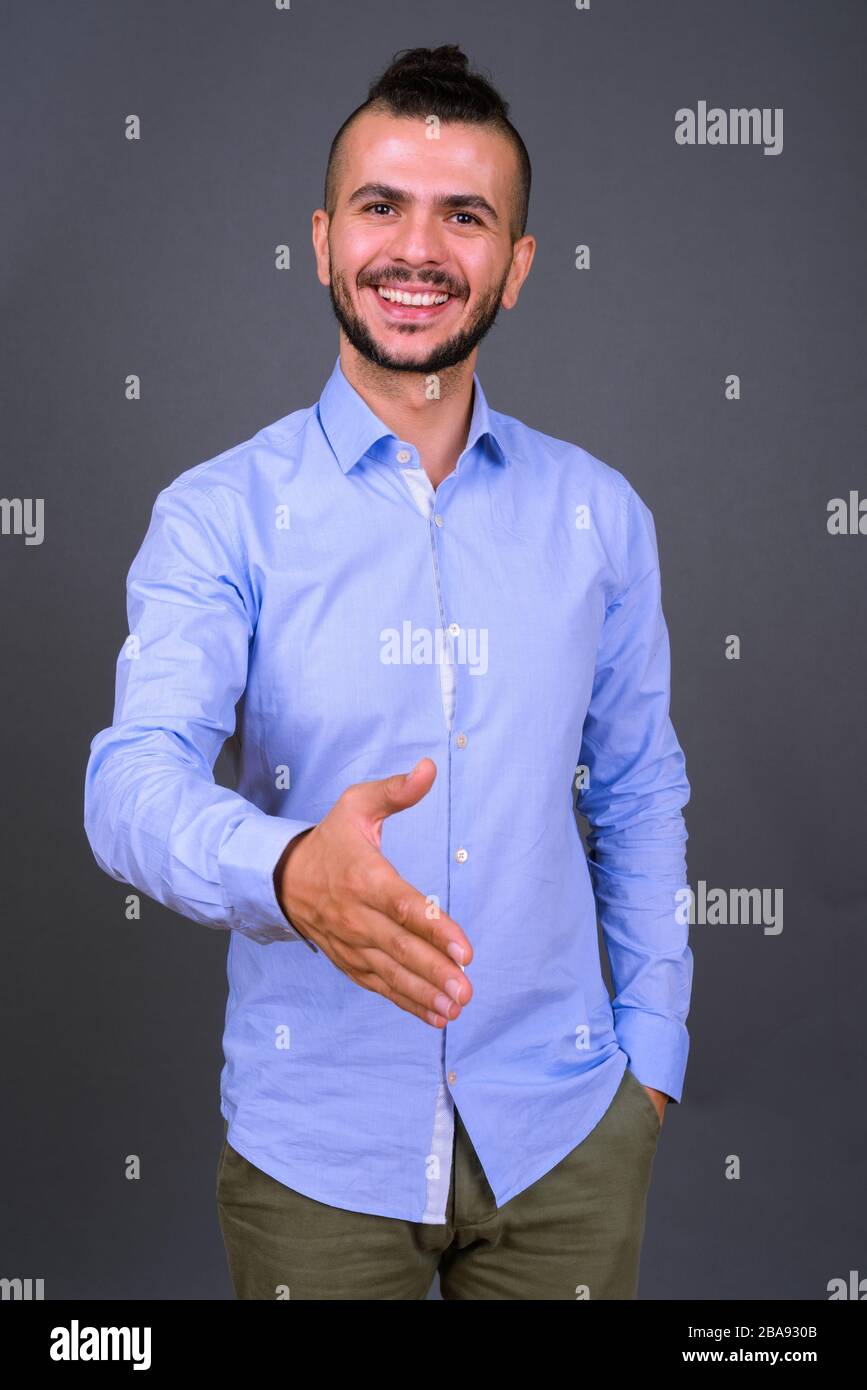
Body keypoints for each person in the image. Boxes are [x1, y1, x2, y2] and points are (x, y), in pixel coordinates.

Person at [84, 44, 693, 1300]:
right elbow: (130, 784)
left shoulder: (601, 515)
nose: (417, 250)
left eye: (463, 216)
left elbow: (635, 791)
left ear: (516, 266)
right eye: (381, 206)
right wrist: (292, 864)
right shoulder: (218, 516)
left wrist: (653, 1058)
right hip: (319, 1152)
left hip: (569, 1138)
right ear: (321, 239)